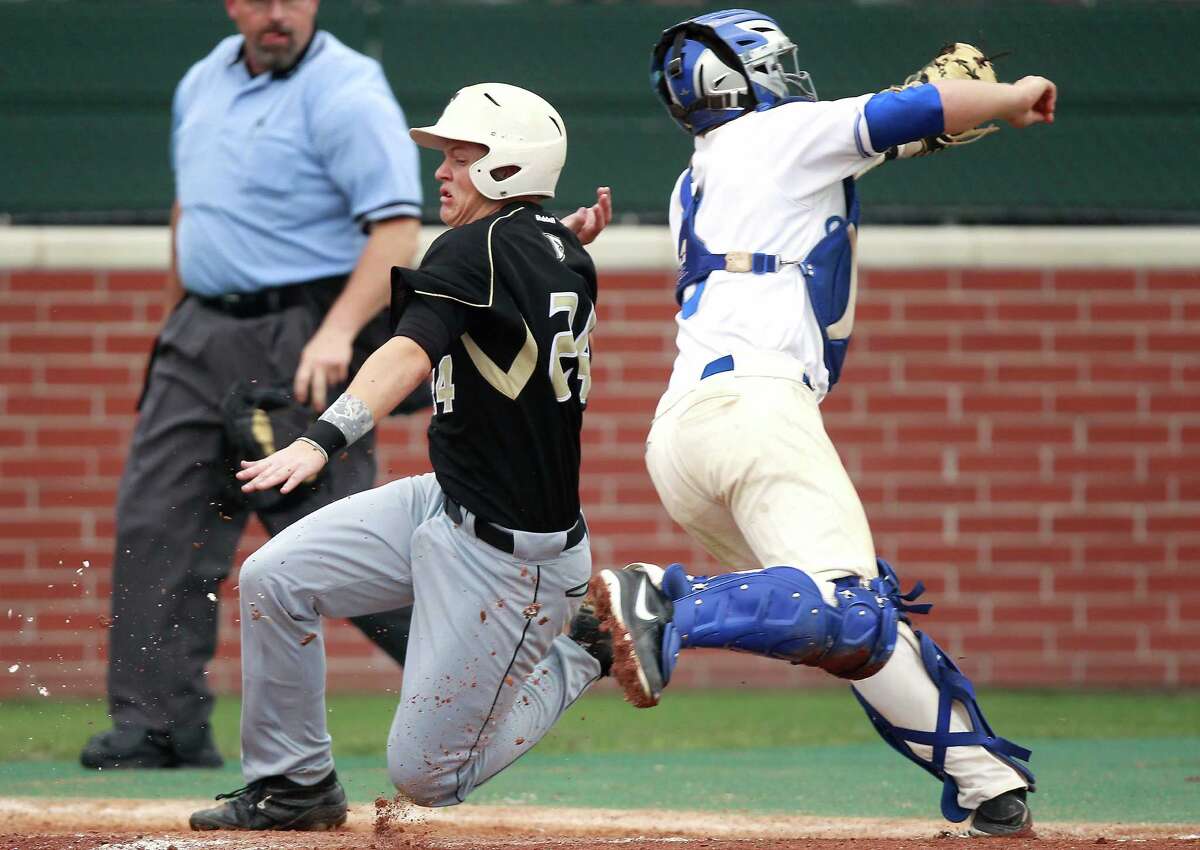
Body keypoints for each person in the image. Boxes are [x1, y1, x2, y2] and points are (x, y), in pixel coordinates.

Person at [588, 9, 1056, 838]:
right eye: (776, 63)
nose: (790, 74)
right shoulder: (778, 136)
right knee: (846, 604)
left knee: (851, 619)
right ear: (739, 78)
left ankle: (985, 781)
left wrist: (945, 114)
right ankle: (665, 604)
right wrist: (1015, 95)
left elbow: (865, 144)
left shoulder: (701, 172)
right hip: (756, 409)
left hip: (688, 435)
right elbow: (903, 115)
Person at [187, 82, 615, 831]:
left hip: (515, 559)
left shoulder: (479, 247)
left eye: (461, 156)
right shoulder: (559, 254)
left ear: (507, 168)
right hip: (446, 502)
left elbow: (409, 353)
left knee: (425, 777)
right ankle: (294, 785)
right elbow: (515, 286)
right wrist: (562, 234)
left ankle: (586, 649)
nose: (442, 172)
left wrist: (321, 440)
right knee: (274, 578)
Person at [82, 0, 426, 770]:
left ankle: (483, 674)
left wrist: (337, 333)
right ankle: (157, 724)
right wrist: (177, 318)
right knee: (156, 521)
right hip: (198, 331)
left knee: (332, 537)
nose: (278, 15)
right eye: (261, 0)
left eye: (294, 0)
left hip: (300, 331)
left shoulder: (348, 89)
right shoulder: (202, 81)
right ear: (233, 4)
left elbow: (398, 230)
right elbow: (189, 211)